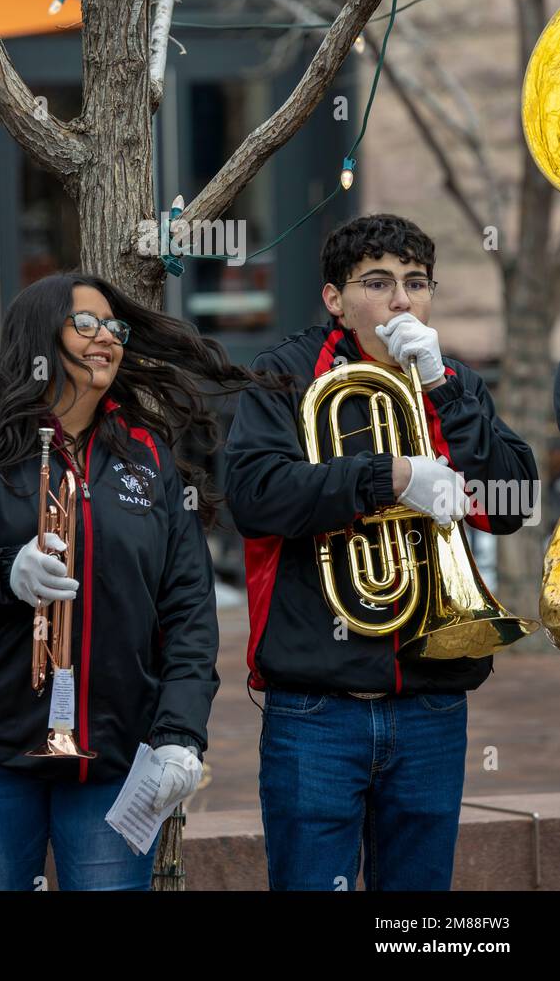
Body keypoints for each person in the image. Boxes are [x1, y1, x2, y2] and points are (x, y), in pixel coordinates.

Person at [0, 270, 287, 892]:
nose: (108, 339)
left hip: (117, 753)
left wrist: (180, 733)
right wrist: (1, 572)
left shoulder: (149, 455)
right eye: (86, 323)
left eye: (116, 327)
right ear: (42, 336)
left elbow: (188, 613)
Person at [224, 212, 539, 892]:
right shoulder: (284, 372)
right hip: (315, 706)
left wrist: (442, 389)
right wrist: (386, 478)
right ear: (334, 300)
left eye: (416, 283)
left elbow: (511, 503)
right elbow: (253, 495)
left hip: (430, 703)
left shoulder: (450, 381)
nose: (401, 300)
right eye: (377, 281)